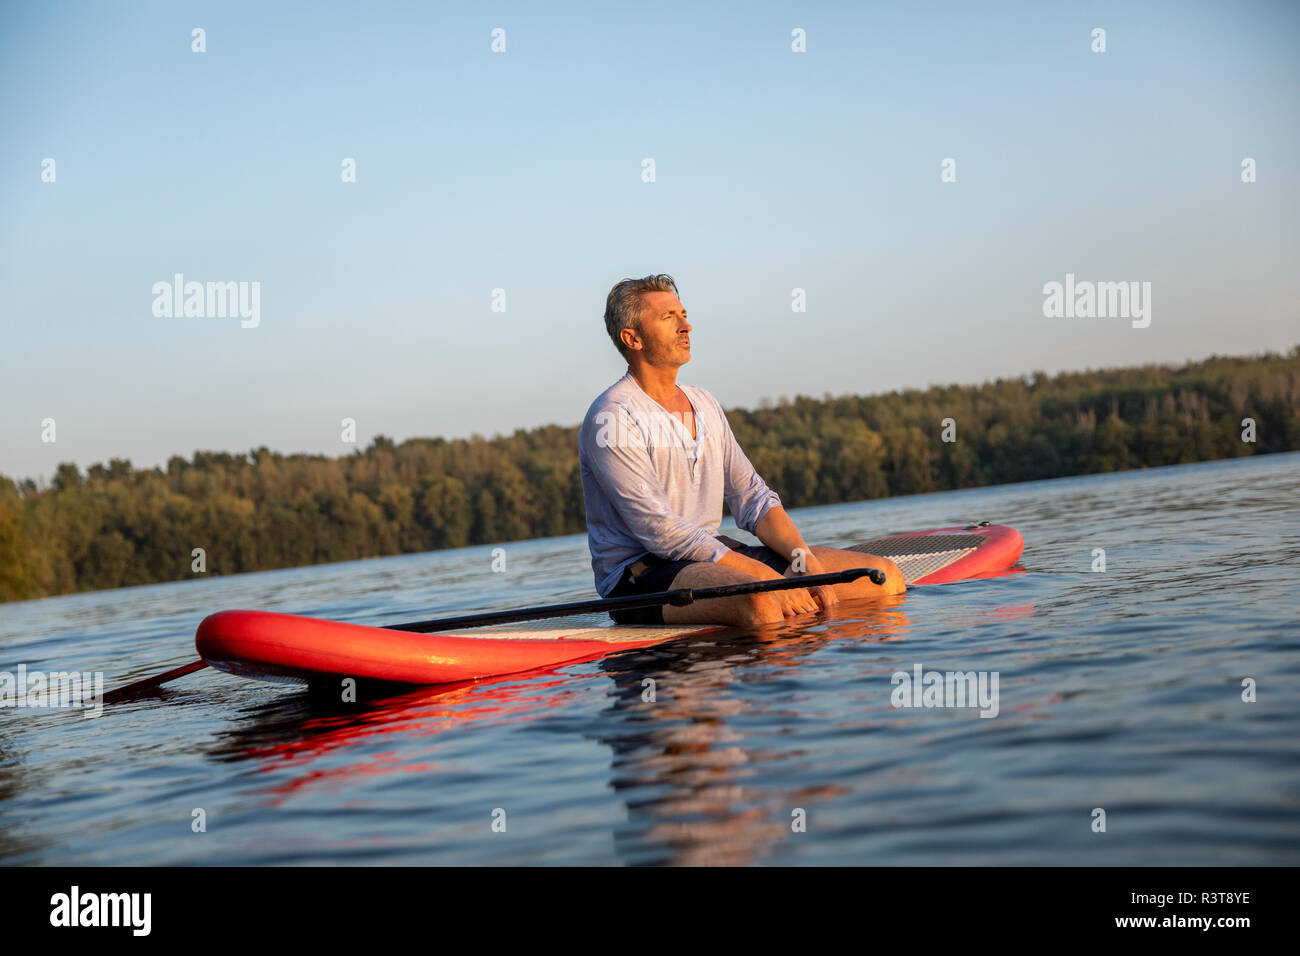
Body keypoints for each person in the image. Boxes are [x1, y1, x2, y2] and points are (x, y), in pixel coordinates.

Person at [578, 274, 904, 628]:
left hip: (714, 555)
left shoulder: (704, 402)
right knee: (763, 604)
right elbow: (660, 530)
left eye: (683, 314)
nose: (686, 326)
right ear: (633, 338)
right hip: (641, 574)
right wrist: (769, 580)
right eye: (669, 317)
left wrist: (805, 562)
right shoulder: (612, 416)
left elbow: (752, 497)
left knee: (882, 579)